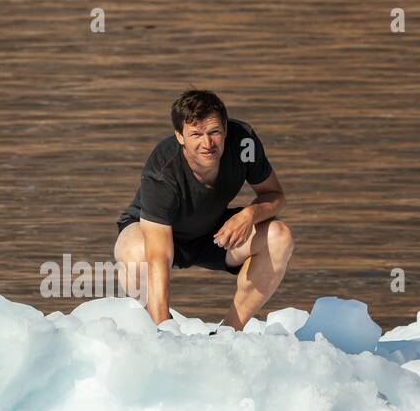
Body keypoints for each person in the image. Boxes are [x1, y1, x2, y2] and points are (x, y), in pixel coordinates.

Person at [114, 89, 294, 331]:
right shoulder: (163, 169)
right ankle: (154, 332)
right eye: (196, 134)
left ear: (226, 130)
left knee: (279, 236)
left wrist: (249, 215)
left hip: (212, 232)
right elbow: (159, 255)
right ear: (180, 136)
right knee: (137, 253)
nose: (207, 143)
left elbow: (276, 196)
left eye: (214, 132)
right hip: (157, 235)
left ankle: (228, 332)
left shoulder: (244, 143)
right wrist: (164, 329)